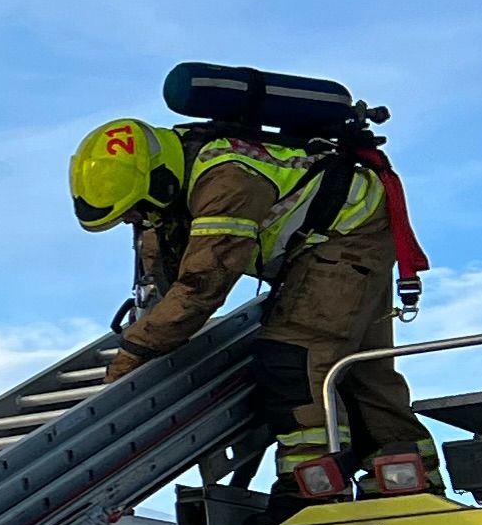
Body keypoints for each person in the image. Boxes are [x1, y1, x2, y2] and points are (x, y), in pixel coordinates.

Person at [69, 105, 431, 501]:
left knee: (294, 354)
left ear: (159, 181)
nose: (132, 220)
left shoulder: (228, 181)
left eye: (134, 210)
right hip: (338, 235)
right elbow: (163, 265)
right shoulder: (173, 182)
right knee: (361, 366)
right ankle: (408, 469)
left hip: (348, 238)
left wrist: (137, 347)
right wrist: (152, 322)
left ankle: (311, 480)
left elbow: (203, 282)